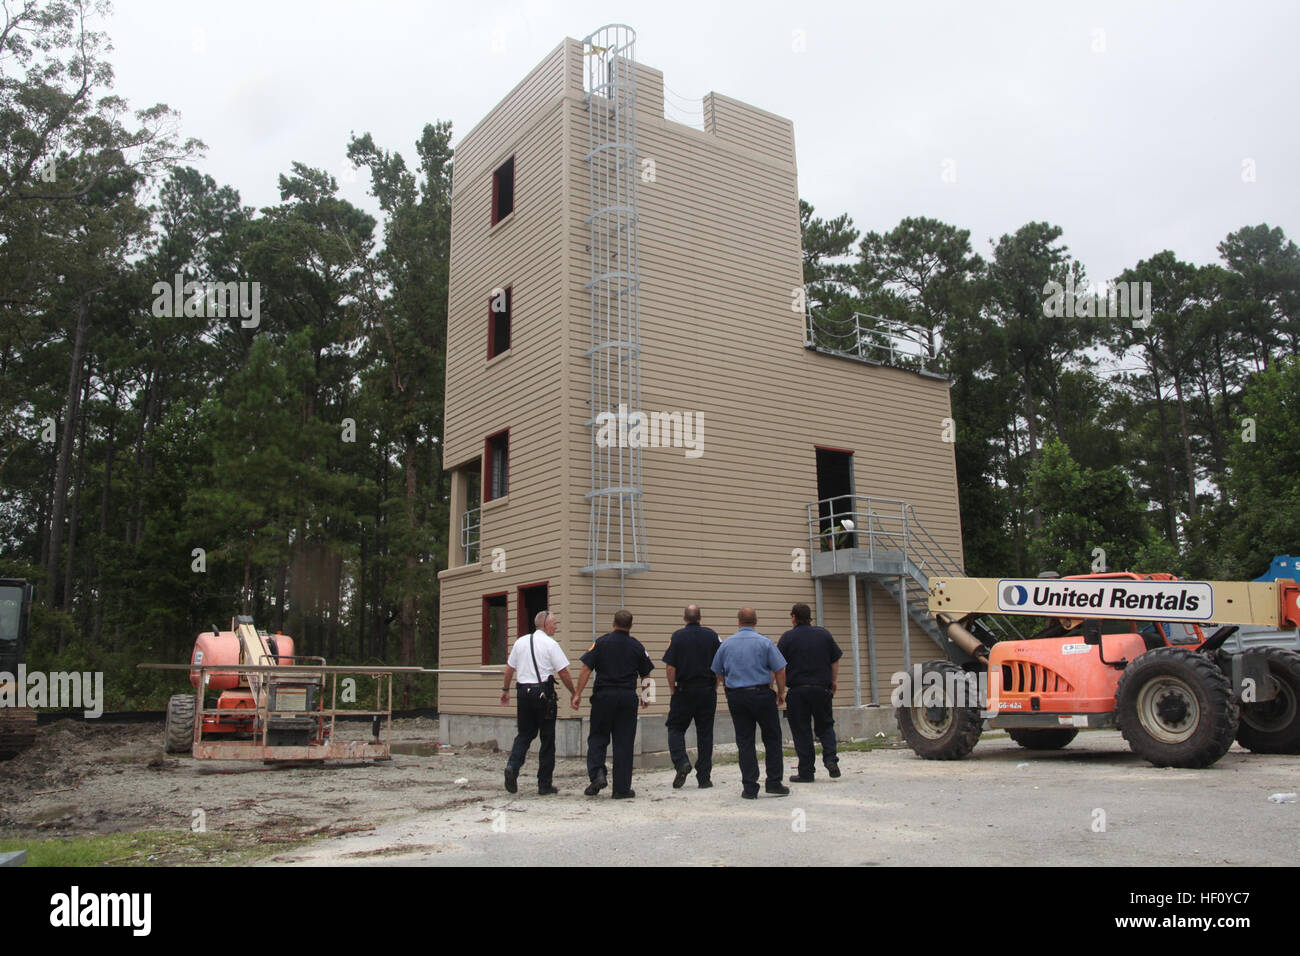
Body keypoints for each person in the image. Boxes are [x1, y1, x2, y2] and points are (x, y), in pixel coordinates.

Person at [571, 609, 653, 799]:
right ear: (631, 626)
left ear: (613, 623)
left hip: (604, 697)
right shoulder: (637, 646)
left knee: (598, 737)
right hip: (626, 698)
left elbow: (585, 669)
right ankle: (621, 789)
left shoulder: (600, 643)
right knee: (624, 742)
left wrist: (577, 694)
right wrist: (647, 696)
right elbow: (647, 673)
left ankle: (598, 773)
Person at [710, 607, 790, 799]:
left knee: (745, 741)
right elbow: (780, 669)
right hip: (762, 694)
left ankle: (750, 786)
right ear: (756, 621)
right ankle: (773, 782)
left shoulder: (727, 645)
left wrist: (727, 685)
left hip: (737, 696)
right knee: (772, 738)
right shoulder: (765, 642)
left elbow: (717, 671)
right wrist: (781, 692)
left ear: (738, 622)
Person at [500, 611, 576, 795]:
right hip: (543, 694)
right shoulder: (551, 645)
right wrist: (574, 693)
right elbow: (563, 672)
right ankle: (544, 784)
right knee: (547, 738)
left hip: (523, 693)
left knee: (524, 734)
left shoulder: (520, 642)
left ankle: (512, 766)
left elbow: (510, 669)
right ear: (545, 625)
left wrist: (505, 690)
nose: (556, 627)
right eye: (554, 624)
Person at [778, 603, 843, 782]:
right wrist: (833, 680)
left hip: (798, 691)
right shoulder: (824, 634)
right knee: (825, 726)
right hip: (822, 689)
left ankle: (806, 772)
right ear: (809, 617)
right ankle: (831, 759)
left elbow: (779, 667)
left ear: (793, 618)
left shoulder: (787, 638)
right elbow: (835, 659)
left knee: (801, 730)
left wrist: (780, 691)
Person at [663, 604, 721, 789]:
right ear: (700, 617)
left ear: (684, 618)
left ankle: (681, 762)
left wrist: (672, 689)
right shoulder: (712, 636)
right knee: (705, 733)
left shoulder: (677, 637)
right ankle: (704, 777)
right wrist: (716, 685)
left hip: (684, 690)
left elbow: (670, 667)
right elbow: (720, 663)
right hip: (707, 690)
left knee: (675, 728)